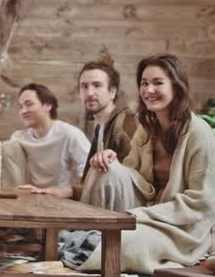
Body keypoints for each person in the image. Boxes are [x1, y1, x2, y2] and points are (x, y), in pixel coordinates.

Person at [59, 54, 215, 274]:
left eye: (158, 83)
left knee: (124, 242)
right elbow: (130, 177)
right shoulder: (147, 129)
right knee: (104, 170)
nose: (148, 90)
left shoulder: (198, 132)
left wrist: (142, 215)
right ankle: (90, 234)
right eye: (144, 83)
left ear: (176, 86)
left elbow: (202, 202)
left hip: (182, 227)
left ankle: (89, 243)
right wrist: (111, 160)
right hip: (145, 212)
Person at [28, 56, 138, 199]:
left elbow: (126, 181)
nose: (89, 93)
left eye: (97, 85)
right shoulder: (100, 128)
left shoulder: (125, 122)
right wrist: (56, 191)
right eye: (84, 86)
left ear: (112, 92)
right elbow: (90, 183)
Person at [1, 83, 90, 192]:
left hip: (59, 197)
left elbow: (88, 172)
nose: (23, 111)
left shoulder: (70, 134)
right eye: (20, 107)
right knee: (8, 147)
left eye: (29, 104)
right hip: (28, 194)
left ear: (48, 105)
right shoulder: (18, 138)